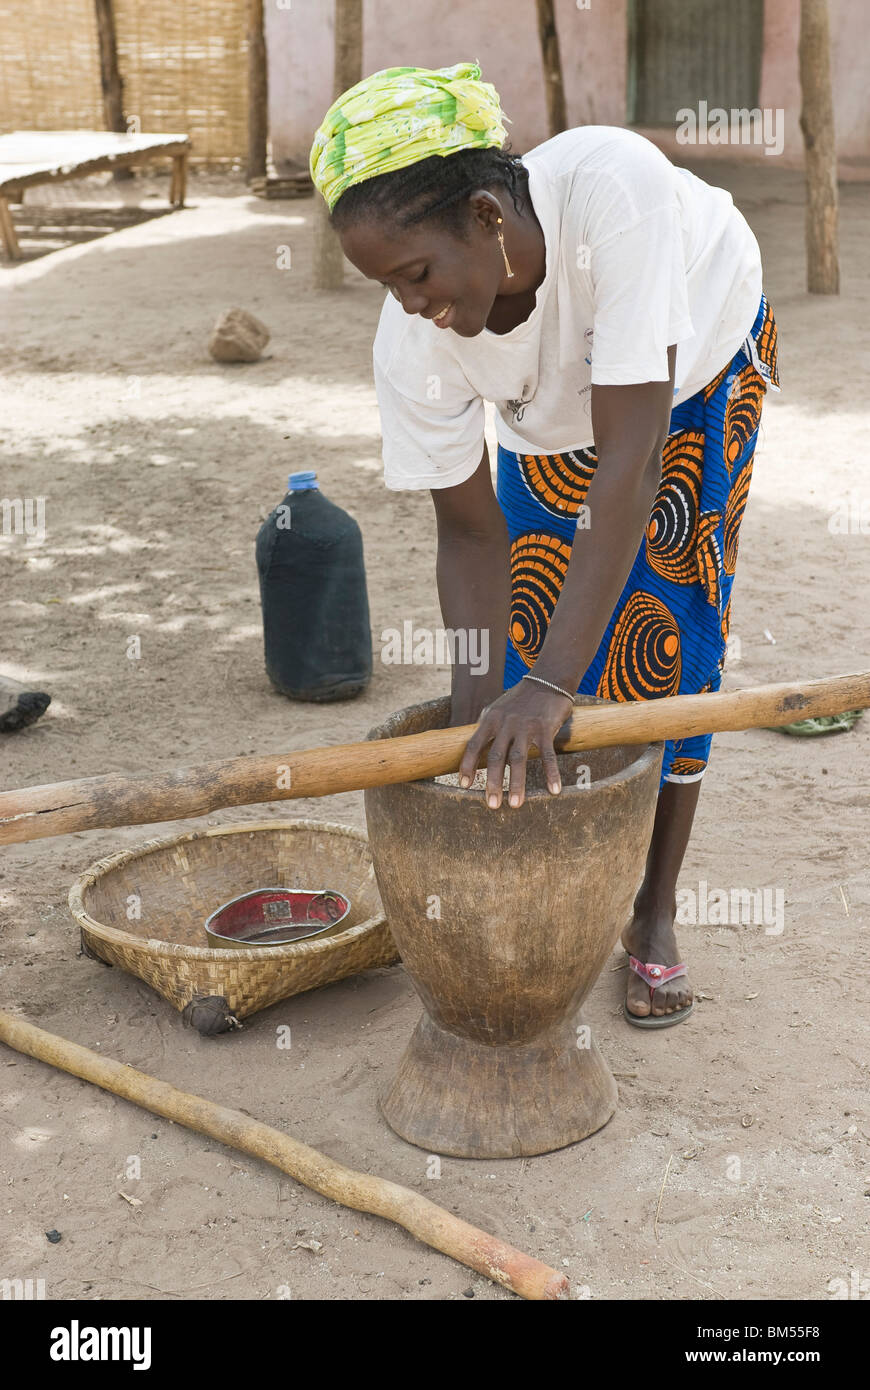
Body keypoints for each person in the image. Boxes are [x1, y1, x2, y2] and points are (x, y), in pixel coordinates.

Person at [310, 62, 780, 1027]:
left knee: (663, 644)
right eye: (386, 287)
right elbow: (472, 529)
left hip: (689, 374)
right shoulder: (414, 344)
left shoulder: (617, 191)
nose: (409, 306)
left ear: (487, 214)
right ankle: (549, 881)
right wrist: (476, 721)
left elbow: (632, 468)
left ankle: (652, 911)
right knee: (526, 650)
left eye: (416, 274)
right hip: (551, 418)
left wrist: (554, 685)